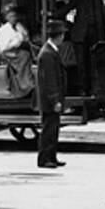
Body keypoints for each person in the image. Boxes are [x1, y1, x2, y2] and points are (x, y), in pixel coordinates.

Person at [35, 19, 68, 169]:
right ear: (59, 36)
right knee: (49, 128)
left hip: (51, 98)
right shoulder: (47, 54)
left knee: (53, 128)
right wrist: (55, 100)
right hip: (49, 100)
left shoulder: (50, 51)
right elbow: (50, 80)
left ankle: (51, 156)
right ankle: (45, 158)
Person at [0, 6, 35, 97]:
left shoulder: (19, 26)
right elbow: (2, 47)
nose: (13, 18)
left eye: (14, 16)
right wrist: (17, 43)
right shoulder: (3, 30)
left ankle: (26, 82)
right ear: (6, 17)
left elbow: (26, 37)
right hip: (8, 53)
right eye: (11, 16)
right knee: (25, 56)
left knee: (27, 54)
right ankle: (25, 84)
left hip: (18, 51)